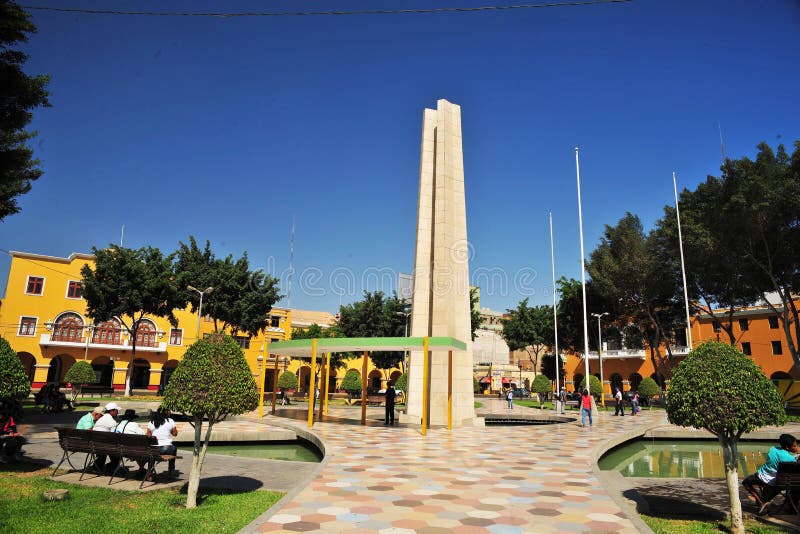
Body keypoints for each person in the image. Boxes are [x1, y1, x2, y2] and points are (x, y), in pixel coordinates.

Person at [743, 433, 800, 513]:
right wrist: (798, 453)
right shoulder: (790, 459)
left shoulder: (773, 449)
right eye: (794, 445)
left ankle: (760, 502)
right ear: (787, 447)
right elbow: (795, 465)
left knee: (745, 482)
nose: (796, 447)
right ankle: (762, 502)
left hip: (762, 477)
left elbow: (778, 457)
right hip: (778, 484)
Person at [147, 407, 178, 478]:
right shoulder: (170, 421)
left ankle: (149, 473)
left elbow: (148, 435)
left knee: (152, 455)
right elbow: (175, 434)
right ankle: (171, 470)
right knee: (174, 448)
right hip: (166, 449)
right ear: (166, 412)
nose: (170, 412)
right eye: (169, 411)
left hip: (154, 449)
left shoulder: (151, 422)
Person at [115, 409, 147, 476]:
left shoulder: (118, 425)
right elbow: (143, 435)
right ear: (133, 417)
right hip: (131, 450)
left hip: (119, 449)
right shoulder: (134, 425)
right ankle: (142, 469)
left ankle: (141, 469)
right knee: (146, 452)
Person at [92, 402, 122, 473]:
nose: (117, 413)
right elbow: (115, 435)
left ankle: (98, 467)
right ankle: (111, 468)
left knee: (107, 448)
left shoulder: (102, 418)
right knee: (117, 451)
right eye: (116, 411)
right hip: (104, 446)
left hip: (94, 444)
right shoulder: (111, 421)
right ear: (112, 411)